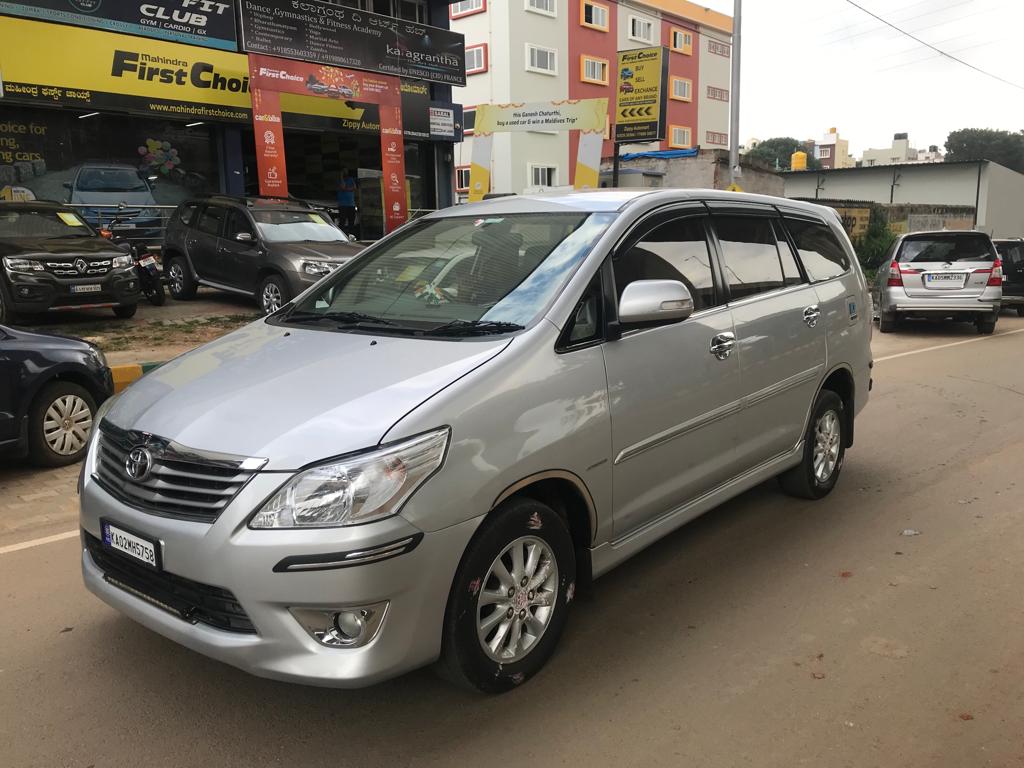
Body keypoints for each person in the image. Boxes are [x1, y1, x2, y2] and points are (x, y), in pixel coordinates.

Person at [336, 169, 357, 234]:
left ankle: (351, 234)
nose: (345, 172)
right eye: (344, 171)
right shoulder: (339, 180)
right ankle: (342, 235)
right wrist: (341, 176)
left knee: (351, 221)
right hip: (343, 204)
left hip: (351, 204)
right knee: (342, 221)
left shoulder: (351, 179)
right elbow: (343, 187)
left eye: (346, 171)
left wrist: (346, 189)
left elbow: (354, 187)